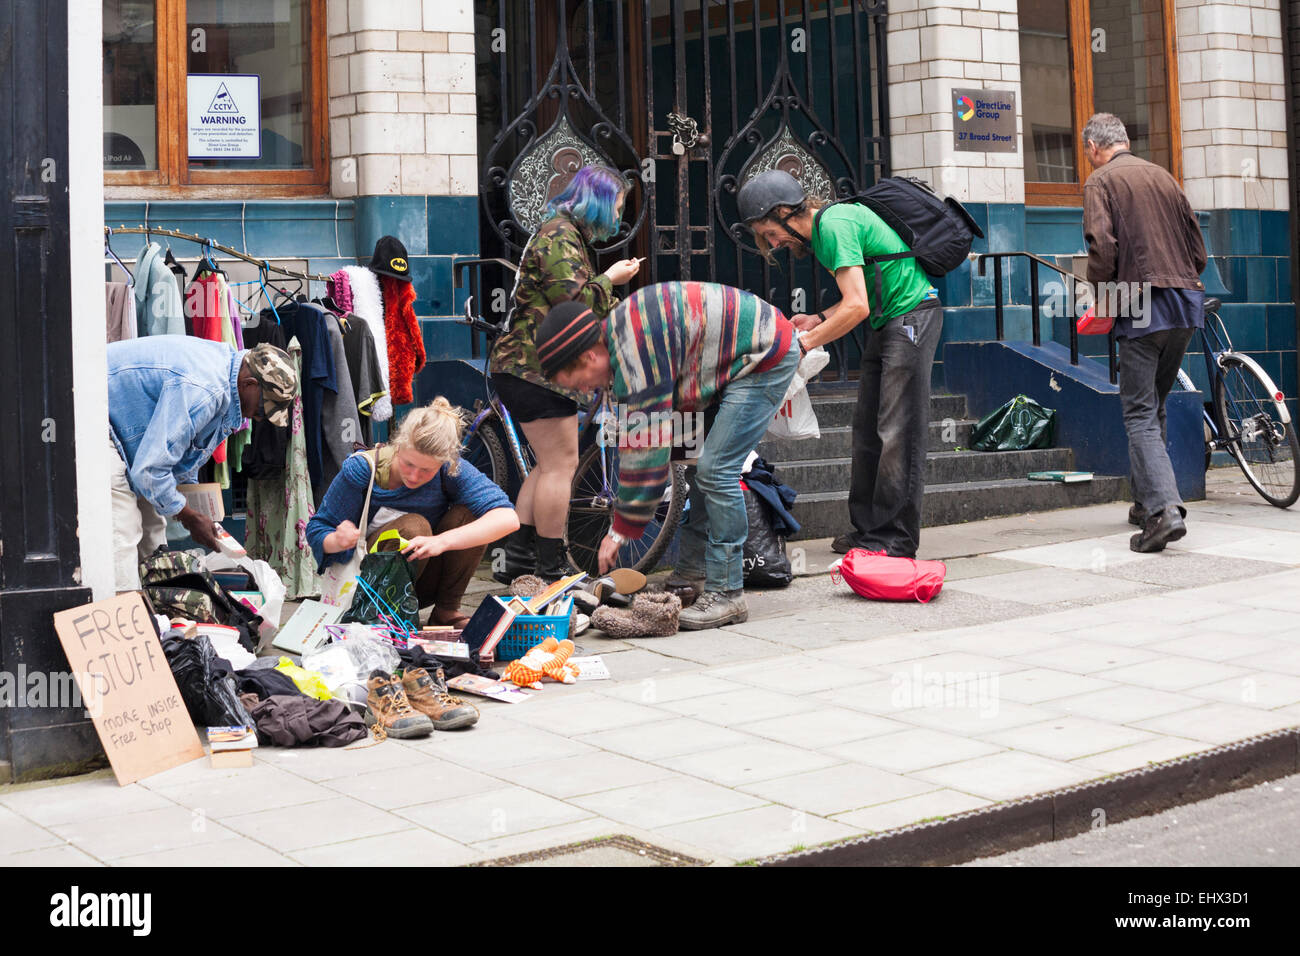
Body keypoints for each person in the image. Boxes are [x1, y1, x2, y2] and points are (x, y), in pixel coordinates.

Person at [536, 284, 799, 630]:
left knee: (716, 470)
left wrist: (620, 531)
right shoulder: (620, 341)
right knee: (696, 469)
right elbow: (655, 439)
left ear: (588, 357)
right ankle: (693, 573)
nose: (583, 391)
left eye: (575, 382)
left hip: (763, 355)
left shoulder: (633, 354)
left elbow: (645, 451)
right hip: (717, 363)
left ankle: (728, 593)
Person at [738, 170, 942, 559]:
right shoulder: (827, 230)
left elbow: (857, 307)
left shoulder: (833, 225)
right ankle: (868, 531)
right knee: (867, 430)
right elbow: (859, 295)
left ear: (783, 212)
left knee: (898, 432)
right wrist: (817, 318)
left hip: (912, 318)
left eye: (769, 232)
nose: (773, 243)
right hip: (890, 321)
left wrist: (804, 343)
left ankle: (895, 540)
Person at [487, 165, 642, 582]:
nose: (620, 215)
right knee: (560, 466)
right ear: (598, 201)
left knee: (546, 465)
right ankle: (552, 568)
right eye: (619, 204)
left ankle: (518, 559)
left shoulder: (563, 233)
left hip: (525, 368)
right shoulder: (559, 234)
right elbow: (571, 304)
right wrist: (610, 278)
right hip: (535, 369)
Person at [1081, 112, 1207, 552]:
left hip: (1141, 307)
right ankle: (1145, 503)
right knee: (1154, 405)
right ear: (1126, 141)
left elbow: (1102, 247)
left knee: (1138, 413)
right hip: (1185, 305)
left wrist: (1104, 297)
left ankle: (1163, 512)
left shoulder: (1101, 181)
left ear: (1094, 149)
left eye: (1089, 154)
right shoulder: (1165, 177)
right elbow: (1197, 249)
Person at [306, 398, 519, 628]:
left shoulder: (451, 470)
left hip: (422, 581)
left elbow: (508, 518)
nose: (415, 476)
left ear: (445, 463)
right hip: (368, 585)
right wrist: (336, 540)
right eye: (408, 464)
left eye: (426, 470)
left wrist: (442, 541)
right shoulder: (362, 470)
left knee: (471, 515)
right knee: (414, 526)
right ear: (397, 446)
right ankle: (384, 617)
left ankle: (446, 610)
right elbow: (317, 529)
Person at [108, 336, 298, 592]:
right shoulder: (205, 391)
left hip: (124, 433)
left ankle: (156, 607)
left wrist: (193, 507)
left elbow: (180, 458)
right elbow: (150, 471)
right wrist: (190, 517)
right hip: (90, 410)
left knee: (153, 528)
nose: (260, 418)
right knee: (124, 525)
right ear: (250, 384)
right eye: (264, 409)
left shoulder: (228, 379)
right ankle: (126, 618)